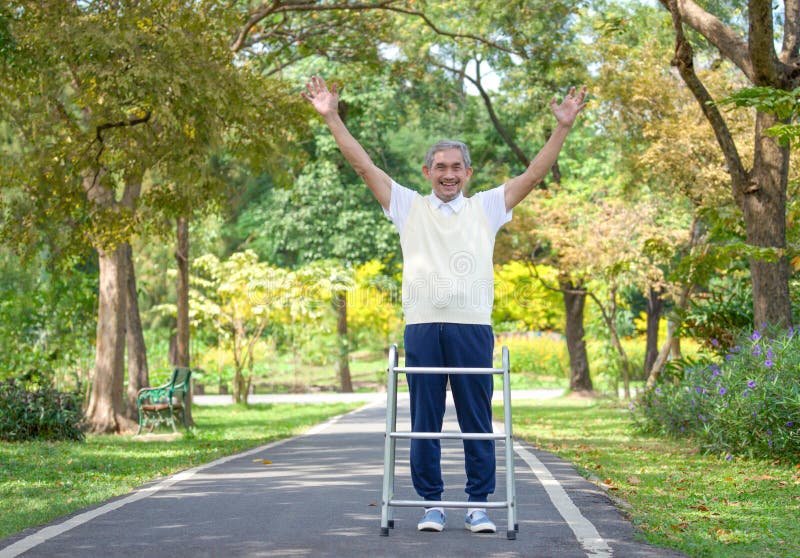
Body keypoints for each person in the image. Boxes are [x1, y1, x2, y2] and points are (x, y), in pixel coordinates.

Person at [302, 76, 587, 534]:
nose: (448, 173)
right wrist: (331, 116)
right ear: (427, 172)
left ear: (468, 173)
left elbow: (533, 174)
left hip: (471, 327)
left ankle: (478, 505)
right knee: (424, 423)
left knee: (477, 421)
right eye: (440, 166)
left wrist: (563, 128)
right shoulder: (407, 206)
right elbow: (363, 167)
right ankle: (431, 504)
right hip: (422, 328)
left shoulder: (488, 207)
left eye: (456, 166)